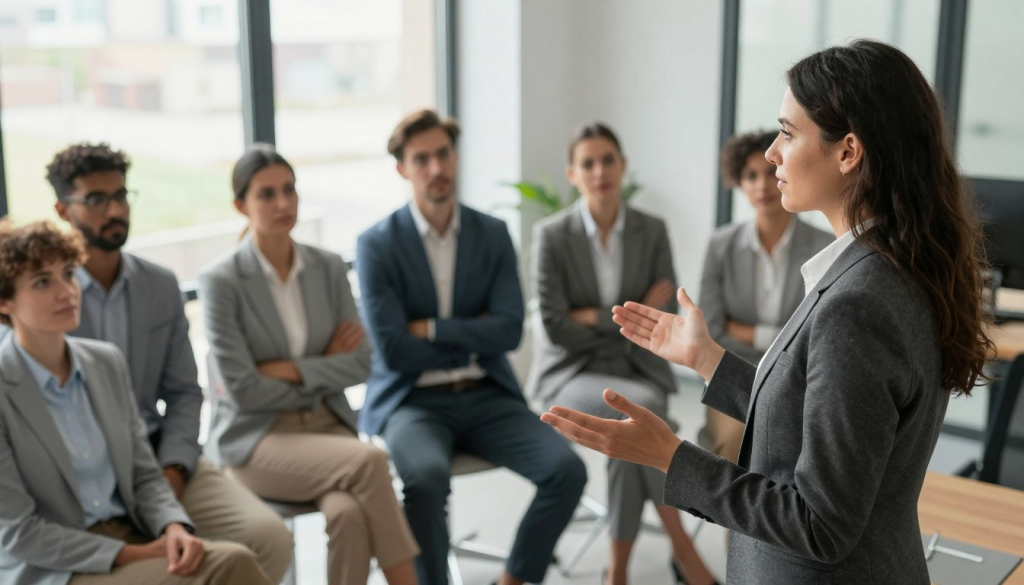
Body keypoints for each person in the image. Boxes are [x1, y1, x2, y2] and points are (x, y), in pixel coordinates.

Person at [542, 39, 992, 585]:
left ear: (848, 152)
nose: (772, 155)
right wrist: (710, 360)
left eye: (787, 132)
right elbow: (809, 416)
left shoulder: (858, 303)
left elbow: (820, 523)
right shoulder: (890, 268)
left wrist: (672, 457)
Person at [23, 142, 290, 582]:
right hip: (91, 475)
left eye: (121, 195)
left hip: (162, 456)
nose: (115, 210)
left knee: (268, 537)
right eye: (96, 200)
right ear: (62, 209)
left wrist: (175, 468)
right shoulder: (45, 304)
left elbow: (185, 392)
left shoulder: (159, 285)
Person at [357, 109, 587, 585]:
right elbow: (394, 350)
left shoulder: (492, 233)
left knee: (567, 470)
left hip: (487, 395)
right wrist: (470, 335)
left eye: (443, 154)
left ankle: (514, 579)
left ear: (456, 157)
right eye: (421, 159)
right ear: (402, 168)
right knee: (423, 480)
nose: (436, 168)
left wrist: (432, 330)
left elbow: (507, 332)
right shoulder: (376, 244)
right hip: (412, 401)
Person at [199, 144, 420, 585]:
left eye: (289, 190)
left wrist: (287, 368)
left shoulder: (327, 266)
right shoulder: (221, 282)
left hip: (326, 429)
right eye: (266, 195)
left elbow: (360, 364)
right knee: (371, 461)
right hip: (258, 438)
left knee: (350, 514)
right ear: (241, 205)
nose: (283, 203)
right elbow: (243, 390)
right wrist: (321, 367)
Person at [529, 122, 716, 585]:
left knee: (628, 433)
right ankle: (683, 551)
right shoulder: (552, 235)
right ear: (573, 174)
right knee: (644, 416)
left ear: (623, 166)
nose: (599, 171)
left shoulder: (651, 230)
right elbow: (556, 326)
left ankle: (617, 574)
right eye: (587, 163)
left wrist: (589, 317)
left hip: (638, 367)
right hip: (572, 372)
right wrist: (628, 316)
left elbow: (663, 313)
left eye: (608, 160)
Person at [698, 132, 832, 465]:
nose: (762, 185)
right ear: (738, 182)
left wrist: (749, 331)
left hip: (797, 379)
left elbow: (820, 333)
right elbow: (712, 328)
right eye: (750, 176)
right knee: (735, 445)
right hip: (731, 372)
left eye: (769, 173)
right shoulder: (721, 245)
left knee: (802, 453)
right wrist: (778, 334)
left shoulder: (825, 246)